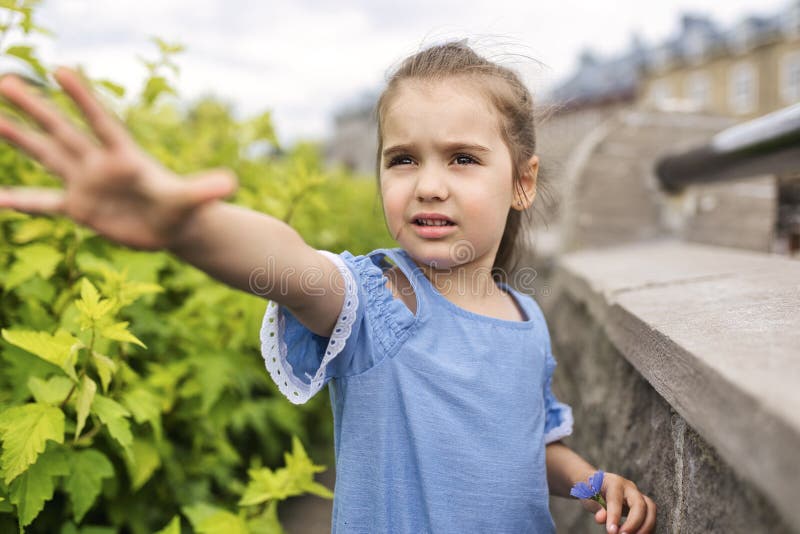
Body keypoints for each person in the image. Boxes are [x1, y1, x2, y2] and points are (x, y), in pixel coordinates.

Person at [0, 41, 656, 534]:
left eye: (462, 158)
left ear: (523, 181)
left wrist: (590, 480)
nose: (429, 183)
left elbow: (532, 436)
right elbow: (291, 267)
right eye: (403, 159)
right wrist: (190, 230)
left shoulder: (527, 317)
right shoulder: (380, 301)